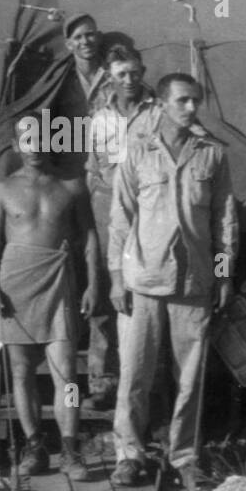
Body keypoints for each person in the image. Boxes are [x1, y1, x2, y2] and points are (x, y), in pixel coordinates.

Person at [108, 73, 238, 491]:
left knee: (190, 377)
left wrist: (222, 275)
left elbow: (224, 221)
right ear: (161, 104)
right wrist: (115, 277)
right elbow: (120, 218)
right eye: (182, 101)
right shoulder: (137, 153)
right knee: (134, 374)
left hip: (194, 281)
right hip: (143, 280)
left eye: (195, 101)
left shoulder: (212, 156)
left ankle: (184, 457)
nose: (191, 108)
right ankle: (129, 456)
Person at [0, 111, 100, 480]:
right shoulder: (2, 190)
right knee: (21, 371)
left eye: (43, 138)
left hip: (58, 280)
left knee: (65, 371)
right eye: (27, 139)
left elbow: (91, 238)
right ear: (17, 145)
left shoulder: (72, 186)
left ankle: (69, 449)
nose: (36, 146)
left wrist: (93, 284)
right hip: (15, 282)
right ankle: (34, 447)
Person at [83, 44, 161, 409]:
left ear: (143, 71)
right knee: (102, 291)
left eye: (134, 73)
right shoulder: (99, 119)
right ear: (110, 78)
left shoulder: (161, 113)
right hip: (107, 207)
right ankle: (102, 381)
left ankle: (146, 382)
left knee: (146, 289)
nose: (129, 80)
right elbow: (93, 168)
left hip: (149, 209)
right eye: (120, 75)